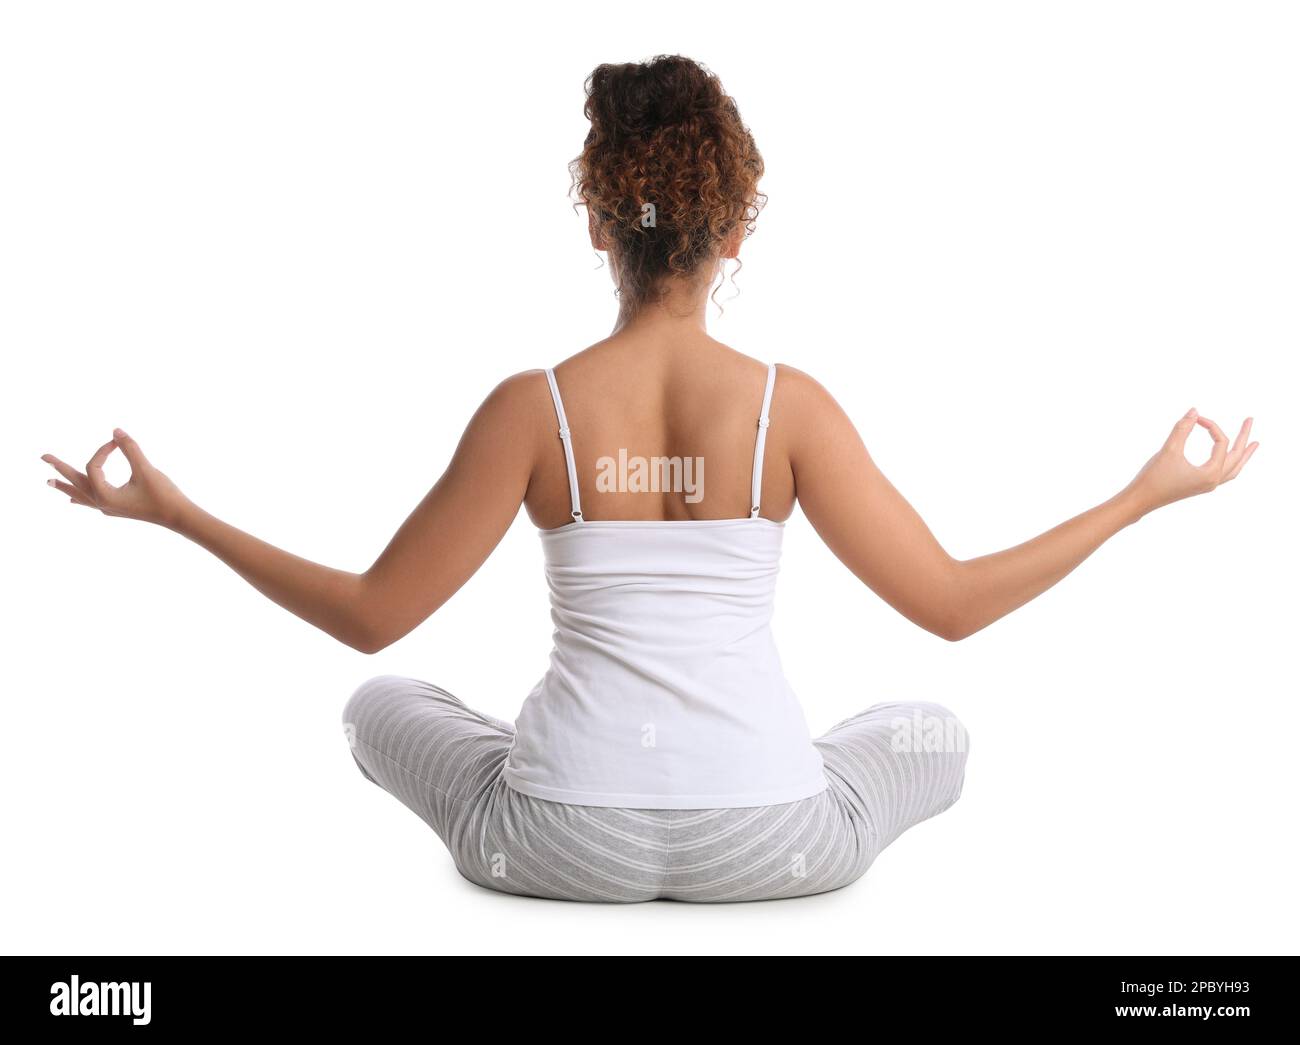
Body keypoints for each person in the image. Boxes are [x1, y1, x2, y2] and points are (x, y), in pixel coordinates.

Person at [41, 55, 1258, 903]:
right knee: (930, 732)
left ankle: (616, 763)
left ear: (594, 221)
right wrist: (1143, 492)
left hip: (549, 842)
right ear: (735, 231)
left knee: (382, 708)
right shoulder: (792, 409)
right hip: (775, 842)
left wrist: (174, 511)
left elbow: (370, 620)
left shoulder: (537, 410)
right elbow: (949, 605)